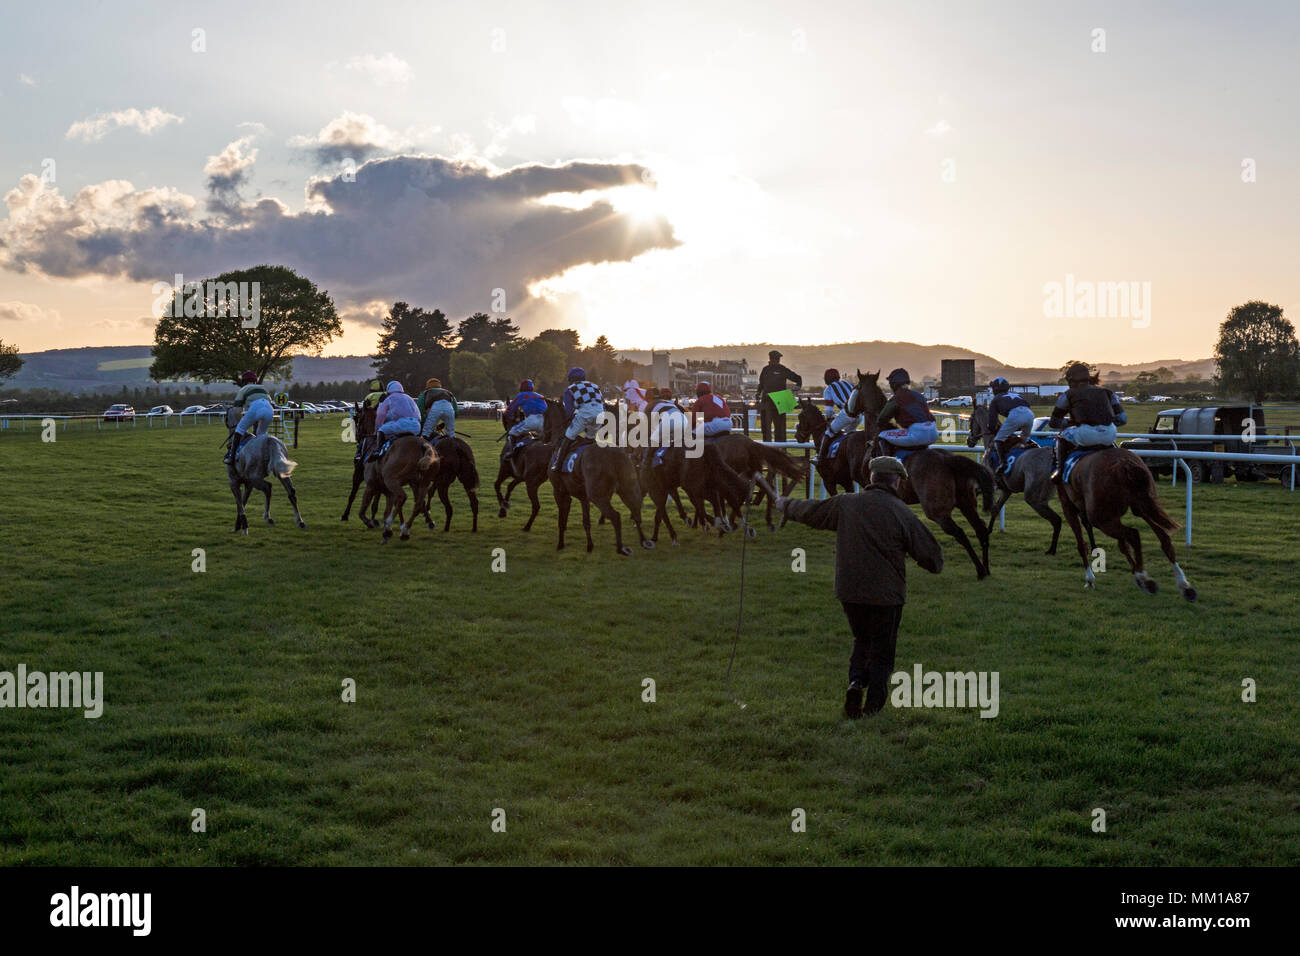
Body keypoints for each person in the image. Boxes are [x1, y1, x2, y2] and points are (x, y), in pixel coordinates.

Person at [776, 456, 944, 718]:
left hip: (849, 591)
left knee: (862, 639)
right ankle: (873, 708)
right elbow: (933, 559)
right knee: (882, 649)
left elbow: (811, 512)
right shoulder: (903, 513)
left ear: (871, 478)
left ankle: (855, 683)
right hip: (886, 595)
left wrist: (785, 504)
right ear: (897, 482)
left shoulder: (846, 504)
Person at [1048, 363, 1121, 481]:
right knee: (1107, 436)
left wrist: (1068, 424)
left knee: (1060, 437)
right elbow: (1122, 419)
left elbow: (1054, 423)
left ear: (1071, 381)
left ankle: (1059, 470)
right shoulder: (1108, 392)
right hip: (1110, 434)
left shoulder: (1068, 394)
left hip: (1085, 435)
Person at [550, 367, 605, 473]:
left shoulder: (570, 389)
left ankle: (558, 464)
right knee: (590, 439)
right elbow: (602, 403)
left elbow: (569, 411)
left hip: (585, 414)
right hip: (600, 414)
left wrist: (569, 421)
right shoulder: (595, 386)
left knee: (569, 436)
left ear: (571, 379)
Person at [875, 369, 938, 457]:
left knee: (881, 436)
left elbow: (881, 419)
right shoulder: (919, 395)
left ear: (894, 384)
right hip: (933, 432)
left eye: (890, 384)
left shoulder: (896, 398)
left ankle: (885, 465)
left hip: (917, 433)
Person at [985, 377, 1035, 477]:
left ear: (995, 389)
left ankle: (1003, 463)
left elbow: (992, 423)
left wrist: (991, 429)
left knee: (998, 440)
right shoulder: (1017, 395)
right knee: (1024, 440)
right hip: (1030, 414)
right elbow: (1027, 405)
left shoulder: (995, 400)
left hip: (1015, 415)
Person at [224, 370, 275, 464]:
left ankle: (232, 456)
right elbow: (271, 404)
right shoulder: (263, 388)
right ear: (255, 381)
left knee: (239, 430)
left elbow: (237, 408)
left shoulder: (244, 389)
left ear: (244, 382)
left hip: (256, 407)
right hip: (269, 410)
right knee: (261, 435)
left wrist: (240, 422)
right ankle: (264, 458)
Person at [757, 349, 802, 442]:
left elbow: (798, 378)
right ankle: (766, 448)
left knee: (780, 429)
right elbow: (761, 384)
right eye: (776, 359)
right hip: (767, 400)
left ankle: (781, 450)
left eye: (778, 359)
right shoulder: (765, 370)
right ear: (771, 359)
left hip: (781, 400)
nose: (777, 360)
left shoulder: (782, 369)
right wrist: (758, 393)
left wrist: (797, 387)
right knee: (765, 428)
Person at [370, 380, 422, 460]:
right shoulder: (409, 398)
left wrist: (376, 429)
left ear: (389, 390)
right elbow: (418, 414)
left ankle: (377, 450)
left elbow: (380, 415)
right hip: (416, 426)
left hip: (402, 424)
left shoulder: (390, 398)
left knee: (381, 430)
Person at [818, 368, 859, 460]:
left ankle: (820, 457)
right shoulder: (848, 384)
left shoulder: (828, 389)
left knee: (828, 433)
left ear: (826, 379)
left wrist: (829, 419)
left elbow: (829, 410)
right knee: (849, 434)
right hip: (859, 416)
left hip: (847, 414)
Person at [503, 379, 548, 459]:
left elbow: (509, 410)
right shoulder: (540, 396)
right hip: (545, 421)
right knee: (543, 439)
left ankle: (510, 452)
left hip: (532, 420)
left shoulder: (521, 395)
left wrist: (509, 416)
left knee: (512, 432)